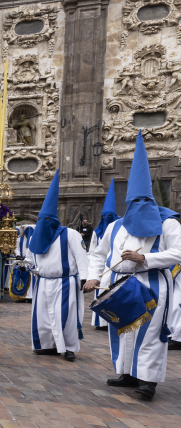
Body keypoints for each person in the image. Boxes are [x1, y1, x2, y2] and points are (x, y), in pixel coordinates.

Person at [84, 135, 181, 401]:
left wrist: (146, 259)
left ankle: (148, 381)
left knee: (149, 334)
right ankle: (127, 372)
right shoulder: (115, 225)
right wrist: (93, 276)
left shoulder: (168, 224)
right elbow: (98, 253)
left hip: (152, 284)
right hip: (119, 283)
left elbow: (179, 252)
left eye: (143, 202)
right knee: (122, 329)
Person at [27, 172, 89, 361]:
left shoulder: (70, 234)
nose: (42, 225)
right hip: (43, 282)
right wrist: (28, 268)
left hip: (65, 282)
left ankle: (68, 347)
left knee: (67, 316)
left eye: (46, 221)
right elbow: (31, 258)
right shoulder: (36, 236)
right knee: (43, 316)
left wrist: (85, 278)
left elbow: (81, 257)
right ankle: (46, 345)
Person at [91, 180, 118, 330]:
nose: (106, 219)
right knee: (100, 293)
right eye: (104, 216)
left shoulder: (118, 230)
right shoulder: (97, 232)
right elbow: (94, 251)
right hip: (101, 268)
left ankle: (111, 320)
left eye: (110, 216)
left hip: (114, 265)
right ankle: (101, 321)